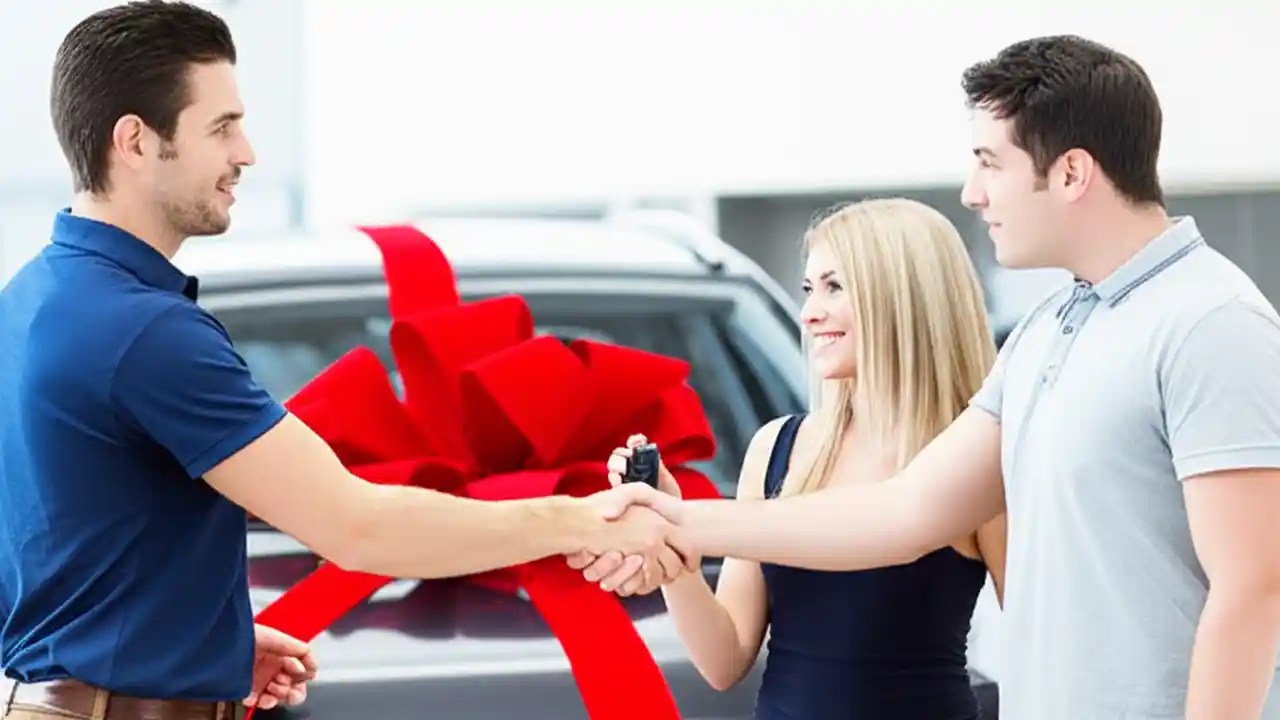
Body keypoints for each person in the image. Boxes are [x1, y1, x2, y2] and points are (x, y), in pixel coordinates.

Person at [0, 3, 687, 719]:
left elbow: (53, 547)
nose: (247, 152)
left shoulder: (26, 302)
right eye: (221, 127)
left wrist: (198, 647)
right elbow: (357, 526)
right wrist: (583, 521)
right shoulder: (144, 332)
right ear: (136, 141)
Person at [581, 35, 1280, 720]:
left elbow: (1254, 586)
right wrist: (680, 520)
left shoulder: (1210, 322)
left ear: (1071, 173)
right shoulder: (1047, 332)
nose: (972, 195)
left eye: (989, 163)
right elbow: (903, 511)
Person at [594, 198, 1008, 719]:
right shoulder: (776, 449)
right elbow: (723, 661)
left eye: (834, 286)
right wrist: (675, 552)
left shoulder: (970, 459)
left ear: (900, 295)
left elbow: (1049, 639)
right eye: (810, 289)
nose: (809, 312)